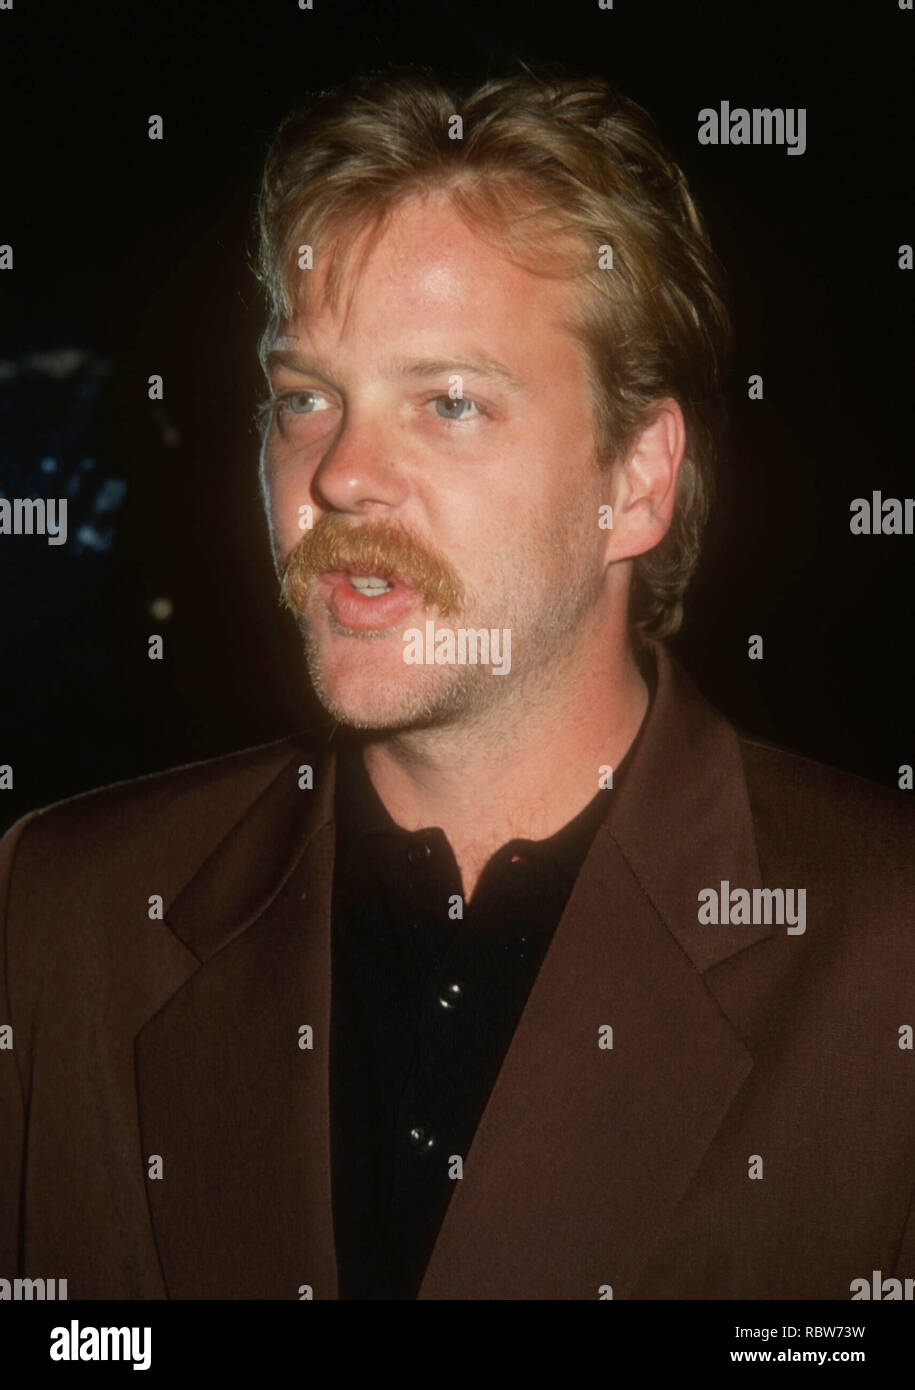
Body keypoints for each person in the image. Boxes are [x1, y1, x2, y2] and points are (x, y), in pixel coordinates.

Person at [1, 68, 912, 1301]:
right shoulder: (69, 913)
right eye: (306, 398)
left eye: (450, 401)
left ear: (636, 482)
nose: (339, 477)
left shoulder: (881, 950)